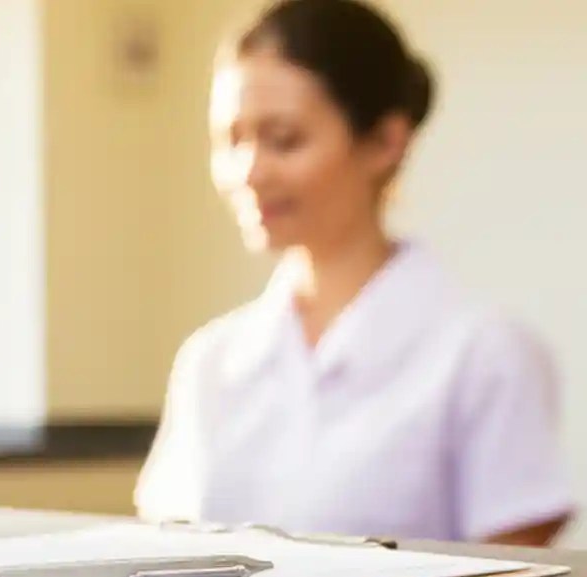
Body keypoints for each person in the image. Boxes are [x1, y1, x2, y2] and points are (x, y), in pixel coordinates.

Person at [134, 0, 574, 546]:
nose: (248, 171)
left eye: (284, 139)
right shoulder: (210, 361)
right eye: (231, 140)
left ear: (386, 142)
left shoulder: (484, 355)